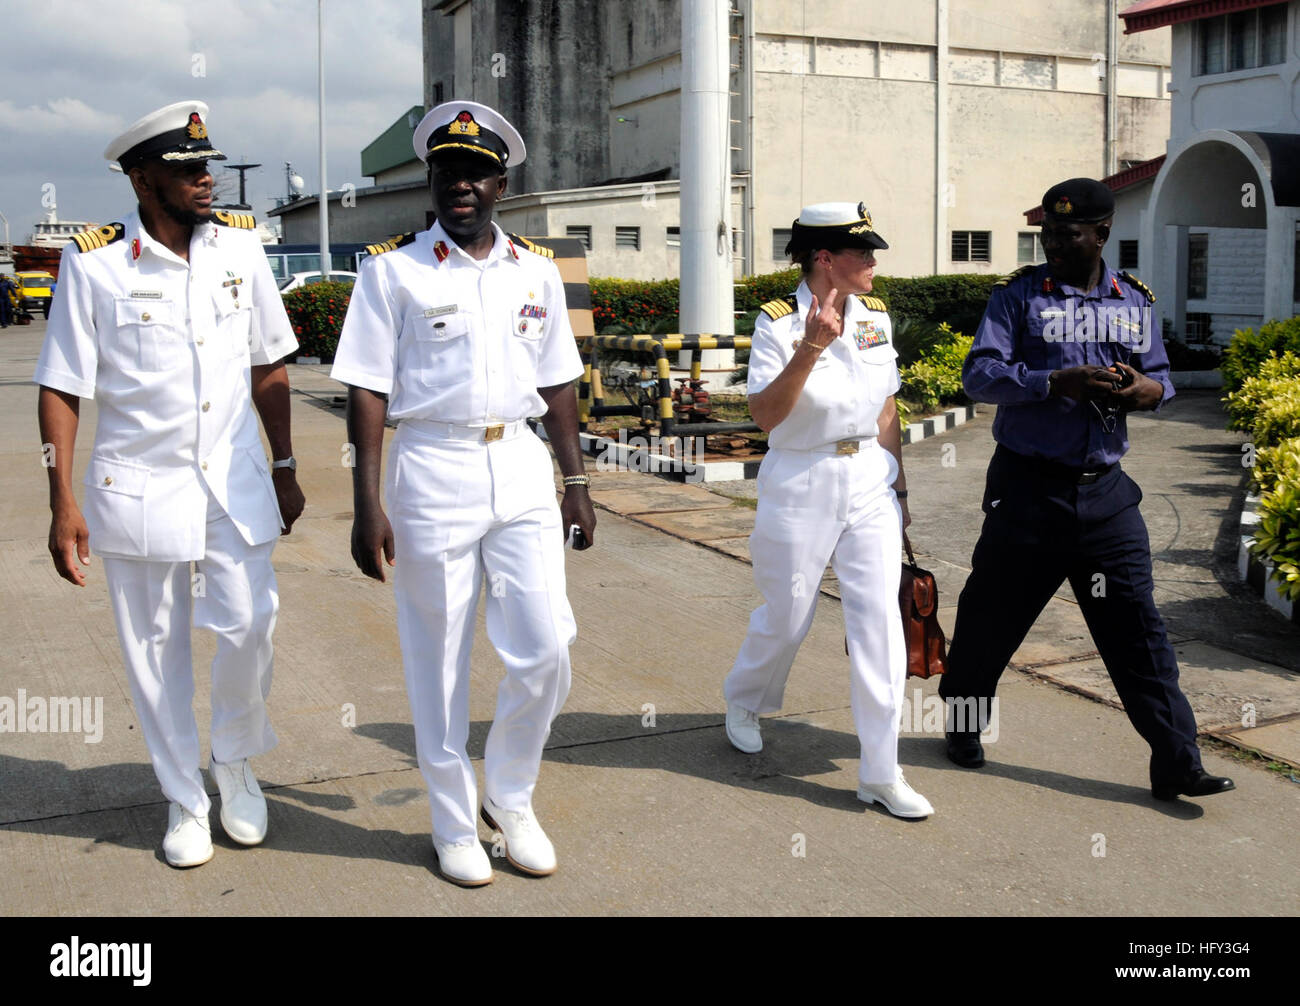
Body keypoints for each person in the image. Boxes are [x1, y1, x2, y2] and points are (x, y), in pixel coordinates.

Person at [331, 100, 595, 887]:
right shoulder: (392, 269)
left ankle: (509, 796)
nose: (462, 185)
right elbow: (368, 390)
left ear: (501, 183)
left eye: (476, 173)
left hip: (517, 465)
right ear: (433, 180)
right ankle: (452, 821)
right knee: (437, 659)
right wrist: (365, 500)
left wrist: (575, 481)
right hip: (432, 470)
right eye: (448, 171)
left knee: (546, 647)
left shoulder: (537, 270)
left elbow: (557, 381)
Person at [34, 101, 305, 868]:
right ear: (141, 178)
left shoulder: (242, 253)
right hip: (140, 484)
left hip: (233, 482)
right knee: (154, 651)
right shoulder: (94, 265)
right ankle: (184, 796)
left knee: (252, 624)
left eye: (206, 164)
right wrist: (62, 500)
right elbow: (61, 386)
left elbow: (270, 365)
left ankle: (234, 757)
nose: (206, 179)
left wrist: (285, 466)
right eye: (186, 169)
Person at [940, 177, 1234, 803]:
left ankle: (1177, 761)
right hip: (1028, 492)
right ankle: (963, 725)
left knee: (1138, 631)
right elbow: (980, 375)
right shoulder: (1018, 296)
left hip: (1106, 497)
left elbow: (1159, 377)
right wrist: (1055, 383)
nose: (1054, 243)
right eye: (1047, 232)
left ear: (1101, 234)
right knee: (992, 617)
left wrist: (1146, 391)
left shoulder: (1134, 299)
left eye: (1067, 234)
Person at [723, 202, 933, 819]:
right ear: (824, 258)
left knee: (879, 624)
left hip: (868, 474)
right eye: (862, 252)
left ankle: (880, 771)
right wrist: (810, 349)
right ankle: (745, 697)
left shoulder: (877, 315)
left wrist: (899, 489)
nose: (873, 262)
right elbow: (764, 416)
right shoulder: (778, 322)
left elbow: (888, 407)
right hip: (802, 476)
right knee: (789, 613)